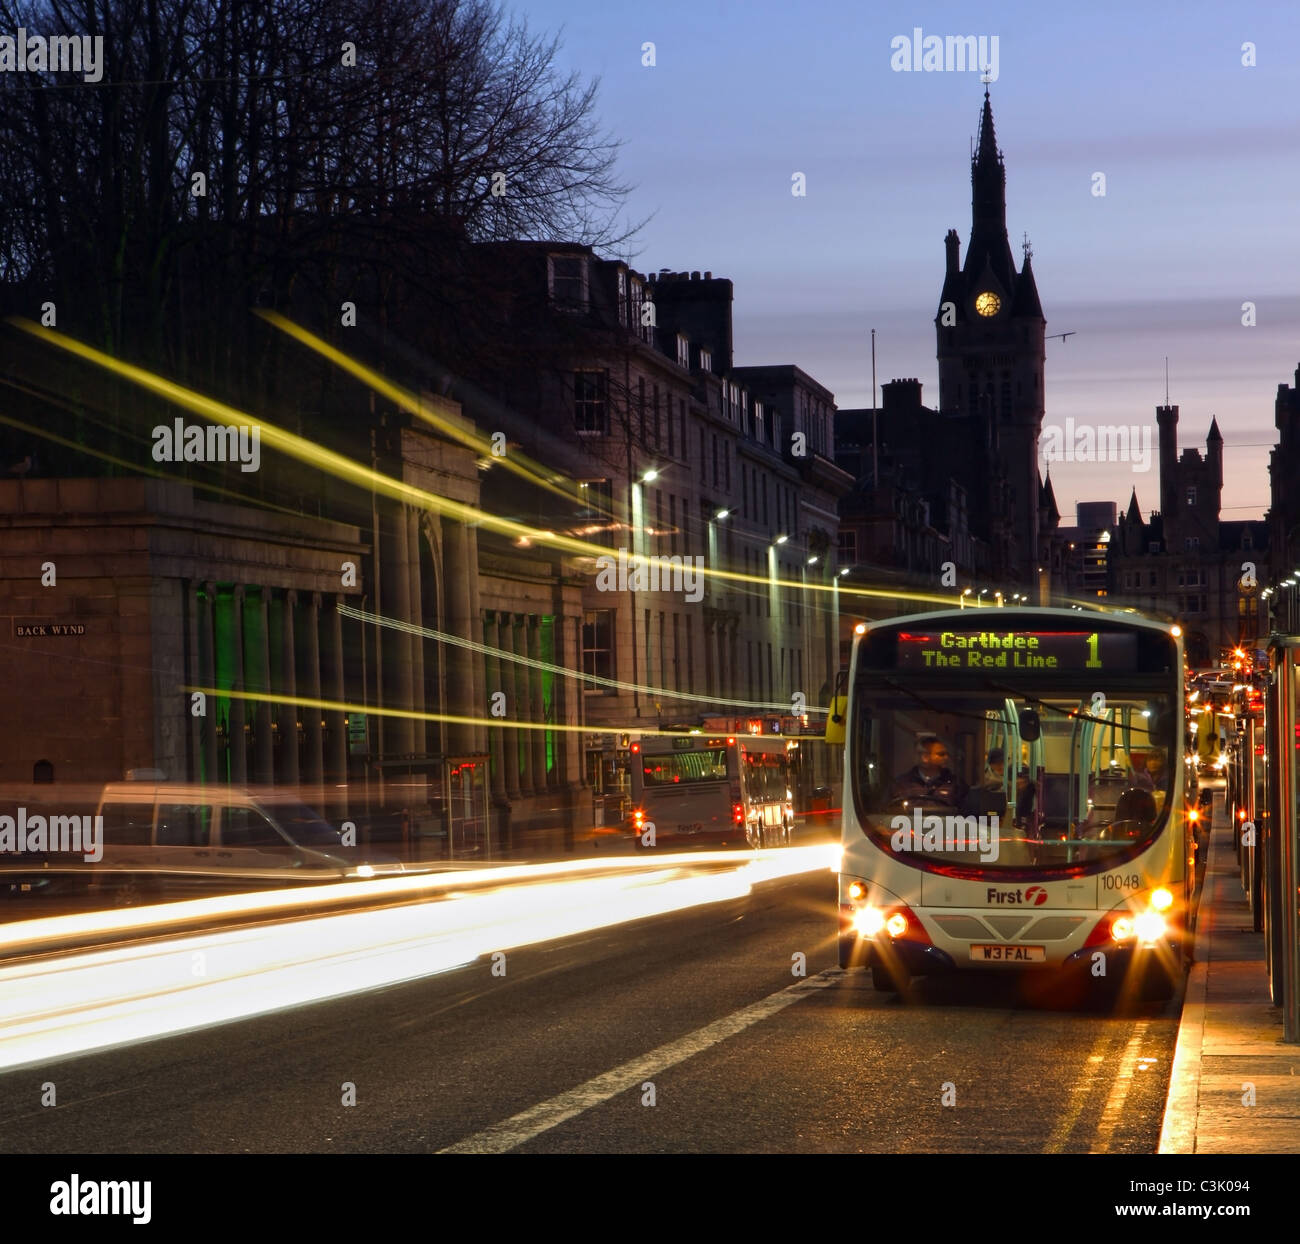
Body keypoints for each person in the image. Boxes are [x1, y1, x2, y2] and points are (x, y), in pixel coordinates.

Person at [888, 735, 968, 810]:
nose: (946, 757)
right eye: (941, 754)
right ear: (925, 757)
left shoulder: (956, 784)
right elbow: (890, 812)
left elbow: (965, 814)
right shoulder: (901, 784)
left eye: (946, 754)